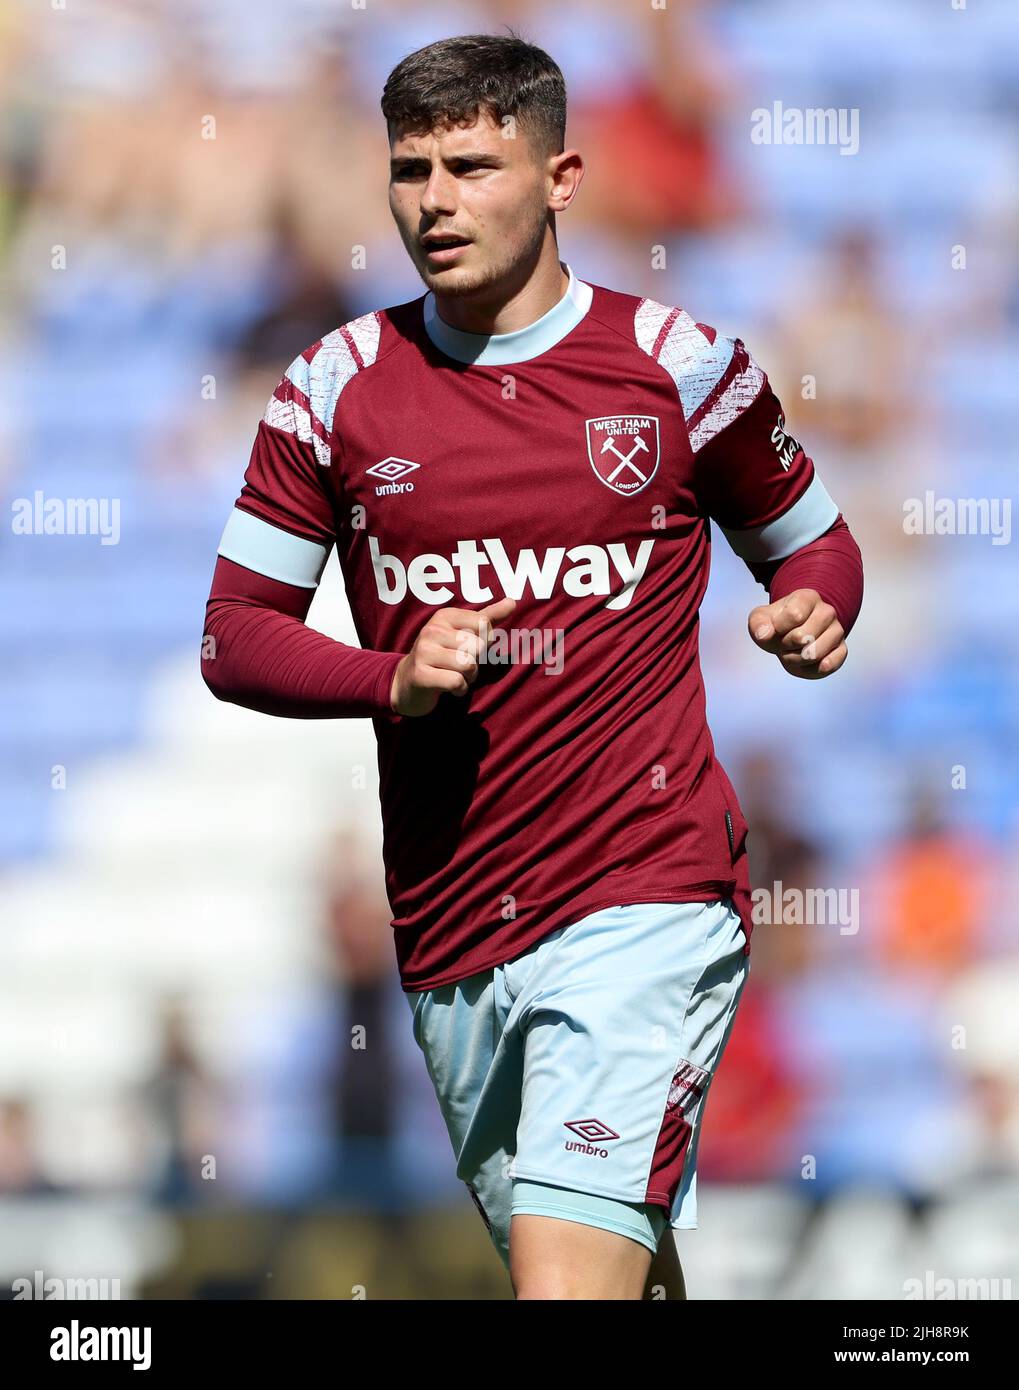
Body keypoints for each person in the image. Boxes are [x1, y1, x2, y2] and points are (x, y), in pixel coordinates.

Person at [201, 32, 864, 1300]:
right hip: (452, 924)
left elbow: (813, 543)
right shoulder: (334, 390)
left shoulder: (678, 368)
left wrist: (811, 609)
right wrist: (386, 678)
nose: (434, 201)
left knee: (561, 1289)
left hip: (642, 894)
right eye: (410, 170)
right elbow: (235, 631)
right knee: (609, 1270)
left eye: (471, 165)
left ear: (559, 175)